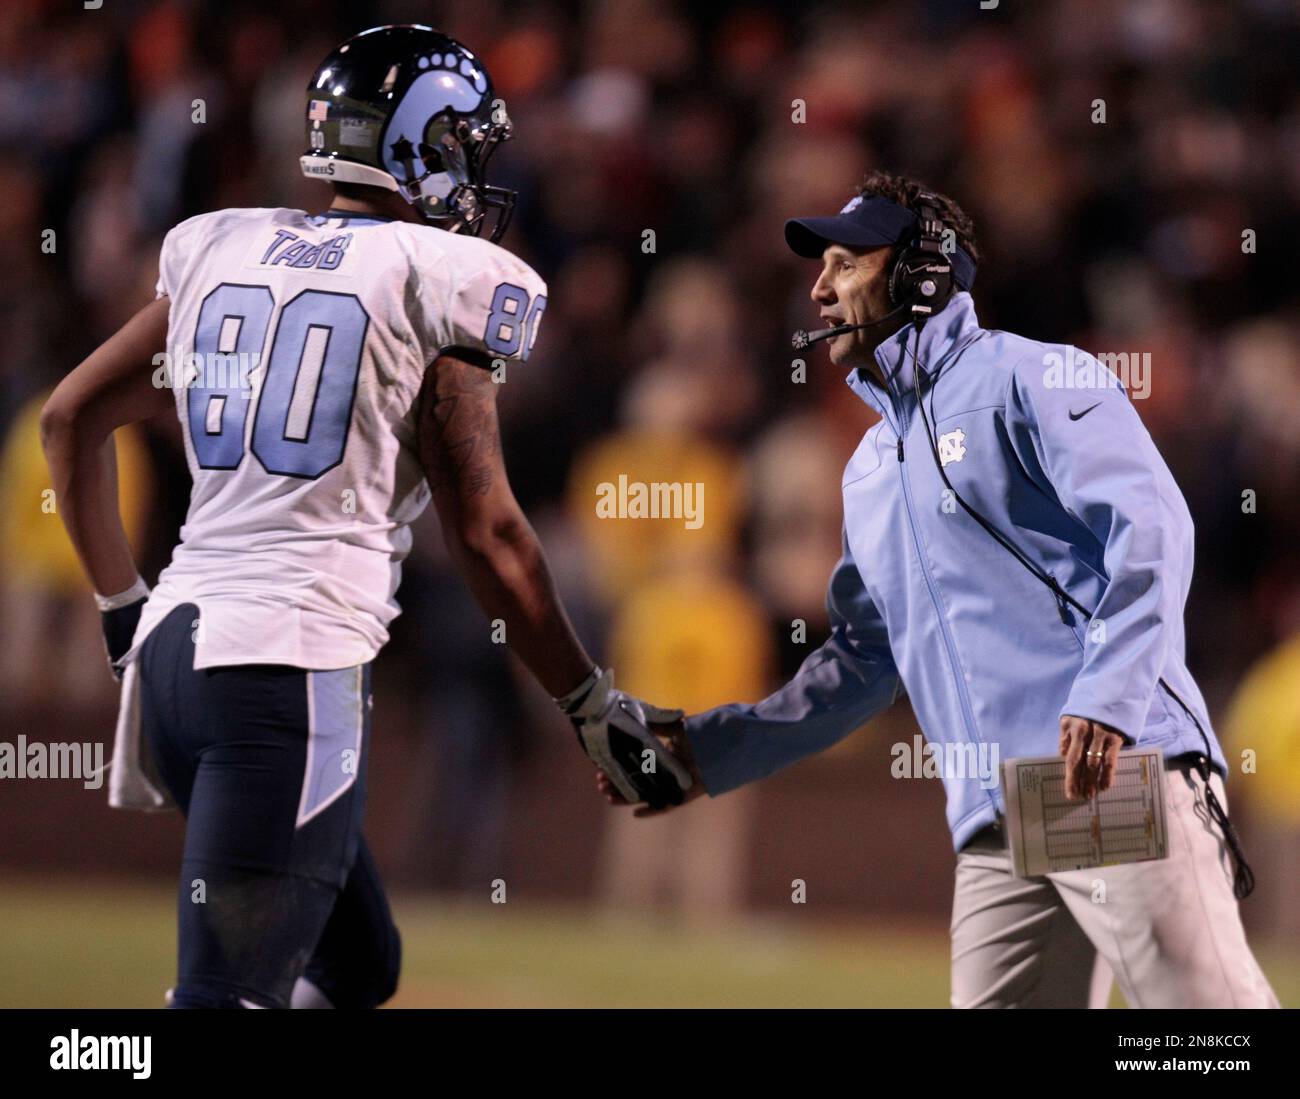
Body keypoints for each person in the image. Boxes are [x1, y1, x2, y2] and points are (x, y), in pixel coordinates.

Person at [40, 24, 689, 1010]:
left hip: (175, 658)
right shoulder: (443, 276)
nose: (475, 168)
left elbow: (70, 415)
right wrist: (590, 705)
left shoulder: (220, 240)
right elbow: (491, 533)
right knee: (224, 998)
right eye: (464, 142)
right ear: (417, 146)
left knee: (356, 967)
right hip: (284, 670)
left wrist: (123, 609)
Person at [600, 170, 1279, 1009]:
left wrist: (1108, 694)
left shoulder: (1032, 377)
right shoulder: (869, 470)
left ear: (922, 270)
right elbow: (858, 665)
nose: (819, 286)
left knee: (1203, 1029)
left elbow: (1152, 528)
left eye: (846, 263)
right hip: (995, 813)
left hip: (1108, 768)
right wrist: (712, 751)